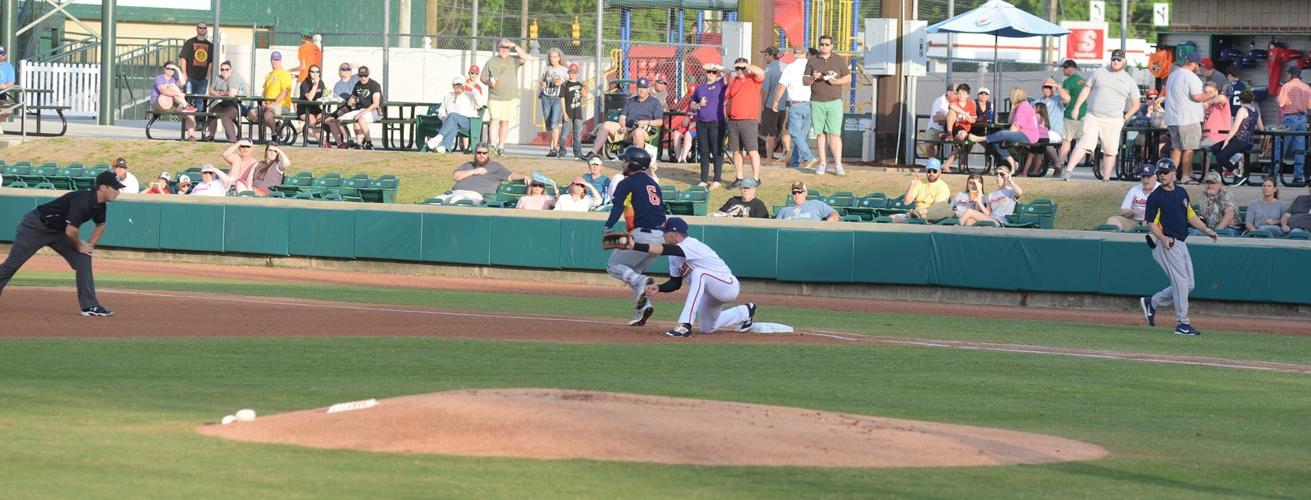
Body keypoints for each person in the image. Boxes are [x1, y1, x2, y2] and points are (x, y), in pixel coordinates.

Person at [0, 170, 124, 317]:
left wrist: (89, 245)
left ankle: (90, 306)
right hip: (35, 226)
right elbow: (71, 231)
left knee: (84, 257)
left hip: (59, 231)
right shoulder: (83, 200)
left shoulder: (101, 205)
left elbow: (100, 225)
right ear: (103, 187)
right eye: (115, 188)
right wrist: (79, 245)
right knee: (12, 264)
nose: (118, 191)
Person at [625, 217, 758, 337]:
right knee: (707, 328)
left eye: (665, 232)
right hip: (709, 292)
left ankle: (685, 325)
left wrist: (634, 246)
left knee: (699, 273)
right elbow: (675, 283)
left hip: (727, 286)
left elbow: (665, 250)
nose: (663, 235)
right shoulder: (674, 256)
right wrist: (659, 288)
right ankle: (746, 311)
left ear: (676, 234)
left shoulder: (691, 244)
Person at [1140, 158, 1218, 336]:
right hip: (1168, 243)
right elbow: (1151, 224)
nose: (1162, 175)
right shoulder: (1155, 197)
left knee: (1189, 284)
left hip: (1181, 242)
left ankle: (1153, 302)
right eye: (1159, 173)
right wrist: (1163, 237)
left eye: (1165, 172)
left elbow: (1191, 217)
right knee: (1181, 284)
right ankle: (1182, 323)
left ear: (1174, 172)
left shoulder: (1182, 192)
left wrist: (1207, 230)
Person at [603, 146, 666, 327]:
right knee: (633, 274)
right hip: (659, 238)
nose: (623, 163)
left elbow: (617, 207)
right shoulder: (653, 183)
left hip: (642, 234)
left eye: (626, 160)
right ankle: (643, 308)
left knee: (613, 266)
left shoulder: (626, 182)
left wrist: (608, 226)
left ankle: (641, 283)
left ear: (633, 163)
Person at [1060, 49, 1141, 181]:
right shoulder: (1099, 72)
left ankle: (1106, 178)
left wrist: (1125, 118)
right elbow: (1086, 89)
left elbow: (1136, 104)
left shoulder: (1129, 80)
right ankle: (1068, 171)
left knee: (1110, 149)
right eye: (1113, 59)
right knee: (1084, 143)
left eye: (1118, 60)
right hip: (1093, 115)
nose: (1115, 62)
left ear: (1124, 61)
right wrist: (1076, 107)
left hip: (1114, 120)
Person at [1164, 53, 1215, 184]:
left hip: (1172, 118)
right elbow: (1196, 97)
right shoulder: (1191, 77)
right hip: (1188, 119)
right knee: (1189, 148)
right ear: (1193, 64)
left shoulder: (1173, 75)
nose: (1199, 68)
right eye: (1199, 65)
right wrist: (1210, 95)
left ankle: (1173, 176)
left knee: (1176, 148)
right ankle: (1186, 176)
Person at [804, 34, 851, 176]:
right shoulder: (812, 61)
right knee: (820, 134)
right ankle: (822, 163)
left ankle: (838, 164)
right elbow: (805, 81)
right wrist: (813, 77)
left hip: (834, 101)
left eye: (826, 44)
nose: (824, 47)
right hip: (817, 101)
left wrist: (836, 81)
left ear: (831, 46)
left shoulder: (839, 60)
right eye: (821, 44)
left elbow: (848, 77)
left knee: (835, 134)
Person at [967, 87, 1045, 172]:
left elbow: (1015, 126)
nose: (1010, 97)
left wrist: (1006, 137)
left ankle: (981, 138)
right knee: (996, 141)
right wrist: (1013, 108)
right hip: (1025, 134)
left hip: (1028, 135)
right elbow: (1010, 121)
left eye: (1011, 95)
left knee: (1002, 134)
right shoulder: (1021, 106)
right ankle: (1013, 163)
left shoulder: (1023, 107)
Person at [589, 78, 663, 159]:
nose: (641, 90)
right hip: (627, 129)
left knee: (638, 132)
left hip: (642, 131)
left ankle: (636, 157)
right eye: (639, 87)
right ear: (637, 88)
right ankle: (593, 152)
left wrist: (646, 122)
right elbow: (622, 117)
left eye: (644, 88)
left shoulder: (655, 103)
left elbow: (659, 122)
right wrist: (622, 125)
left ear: (648, 88)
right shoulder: (630, 101)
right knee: (606, 125)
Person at [434, 144, 527, 205]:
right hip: (454, 192)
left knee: (456, 200)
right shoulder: (468, 165)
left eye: (484, 153)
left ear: (488, 154)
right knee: (435, 202)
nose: (481, 155)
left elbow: (510, 176)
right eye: (479, 152)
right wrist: (474, 171)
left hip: (475, 196)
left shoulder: (495, 166)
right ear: (475, 154)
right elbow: (455, 176)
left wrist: (523, 176)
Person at [481, 39, 527, 156]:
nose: (503, 50)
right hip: (494, 96)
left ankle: (501, 146)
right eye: (501, 47)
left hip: (510, 97)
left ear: (509, 49)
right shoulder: (491, 61)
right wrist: (489, 83)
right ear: (497, 48)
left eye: (506, 48)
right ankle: (492, 144)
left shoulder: (513, 61)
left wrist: (514, 45)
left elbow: (524, 57)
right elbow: (483, 77)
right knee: (494, 119)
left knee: (504, 122)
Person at [724, 57, 766, 185]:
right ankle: (739, 177)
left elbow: (761, 73)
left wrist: (747, 66)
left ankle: (756, 178)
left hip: (748, 121)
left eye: (741, 68)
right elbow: (728, 97)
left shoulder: (753, 79)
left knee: (752, 150)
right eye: (737, 68)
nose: (738, 71)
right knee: (736, 151)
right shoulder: (733, 81)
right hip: (733, 120)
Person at [775, 46, 817, 170]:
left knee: (794, 133)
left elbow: (782, 86)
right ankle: (794, 162)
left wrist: (776, 101)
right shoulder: (811, 67)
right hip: (810, 104)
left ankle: (808, 157)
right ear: (806, 54)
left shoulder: (790, 67)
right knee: (801, 137)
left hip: (795, 104)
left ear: (794, 54)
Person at [326, 66, 382, 149]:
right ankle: (350, 141)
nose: (363, 78)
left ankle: (369, 144)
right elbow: (353, 97)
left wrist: (362, 113)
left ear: (368, 75)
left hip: (375, 111)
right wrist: (348, 101)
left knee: (361, 119)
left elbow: (376, 104)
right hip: (362, 110)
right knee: (340, 119)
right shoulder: (358, 84)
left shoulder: (374, 85)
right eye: (361, 76)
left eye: (365, 76)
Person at [691, 64, 728, 187]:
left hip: (716, 121)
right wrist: (698, 105)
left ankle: (717, 179)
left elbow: (729, 73)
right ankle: (703, 179)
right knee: (704, 151)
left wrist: (717, 67)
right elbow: (692, 104)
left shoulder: (719, 84)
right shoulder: (700, 88)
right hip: (701, 122)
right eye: (708, 72)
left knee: (716, 150)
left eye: (713, 72)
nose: (710, 74)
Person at [1212, 90, 1263, 175]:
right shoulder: (1255, 111)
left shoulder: (1242, 110)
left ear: (1241, 100)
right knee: (1215, 148)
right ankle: (1235, 160)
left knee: (1220, 156)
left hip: (1240, 140)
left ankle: (1236, 171)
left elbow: (1235, 128)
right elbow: (1261, 128)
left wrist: (1226, 141)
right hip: (1249, 142)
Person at [427, 76, 482, 153]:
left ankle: (438, 137)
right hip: (453, 122)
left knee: (453, 115)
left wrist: (471, 86)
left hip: (468, 122)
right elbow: (441, 111)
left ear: (464, 86)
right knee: (453, 123)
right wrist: (445, 119)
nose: (458, 87)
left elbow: (480, 104)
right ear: (453, 86)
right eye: (456, 85)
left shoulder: (469, 95)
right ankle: (444, 147)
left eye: (460, 85)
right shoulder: (447, 97)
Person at [1275, 66, 1311, 183]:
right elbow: (1309, 106)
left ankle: (1273, 174)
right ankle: (1298, 176)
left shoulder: (1286, 86)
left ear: (1290, 75)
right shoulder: (1307, 87)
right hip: (1302, 119)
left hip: (1290, 119)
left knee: (1280, 145)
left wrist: (1277, 99)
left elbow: (1281, 103)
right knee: (1299, 148)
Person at [249, 51, 294, 144]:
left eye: (277, 60)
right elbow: (264, 91)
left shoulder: (285, 74)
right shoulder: (269, 75)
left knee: (267, 116)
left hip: (281, 105)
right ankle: (276, 125)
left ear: (281, 61)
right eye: (273, 60)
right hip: (267, 104)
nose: (275, 62)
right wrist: (263, 101)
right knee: (251, 114)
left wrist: (272, 104)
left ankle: (274, 135)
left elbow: (284, 93)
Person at [151, 63, 199, 141]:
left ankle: (191, 136)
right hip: (160, 102)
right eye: (168, 68)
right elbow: (163, 91)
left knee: (190, 114)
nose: (170, 70)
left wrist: (178, 70)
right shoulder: (159, 78)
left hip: (173, 104)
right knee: (173, 87)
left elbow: (183, 83)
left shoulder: (174, 78)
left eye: (173, 69)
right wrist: (178, 93)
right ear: (163, 69)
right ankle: (186, 105)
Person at [1107, 164, 1160, 231]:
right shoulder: (1135, 189)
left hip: (1154, 222)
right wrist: (1133, 211)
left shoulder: (1161, 190)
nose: (1145, 180)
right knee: (1112, 220)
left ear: (1155, 177)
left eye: (1148, 177)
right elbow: (1123, 211)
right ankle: (1116, 239)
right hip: (1134, 221)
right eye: (1143, 177)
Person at [760, 47, 789, 163]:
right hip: (786, 104)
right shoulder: (786, 67)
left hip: (772, 105)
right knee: (784, 130)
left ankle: (769, 159)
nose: (765, 57)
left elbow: (765, 91)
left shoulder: (768, 69)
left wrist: (763, 105)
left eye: (766, 54)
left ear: (771, 55)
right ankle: (787, 151)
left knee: (770, 133)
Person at [206, 61, 247, 142]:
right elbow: (210, 90)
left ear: (231, 70)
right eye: (222, 69)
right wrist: (221, 93)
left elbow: (232, 93)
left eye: (226, 69)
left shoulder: (234, 77)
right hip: (226, 103)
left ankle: (233, 139)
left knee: (225, 116)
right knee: (211, 113)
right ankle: (211, 136)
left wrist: (220, 92)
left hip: (239, 105)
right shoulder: (218, 77)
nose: (224, 71)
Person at [941, 83, 978, 173]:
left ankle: (946, 165)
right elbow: (952, 106)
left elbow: (973, 120)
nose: (961, 95)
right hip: (952, 126)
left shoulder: (971, 104)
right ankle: (949, 133)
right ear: (957, 93)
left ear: (968, 95)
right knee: (952, 112)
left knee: (965, 140)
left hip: (963, 129)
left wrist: (968, 118)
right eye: (960, 93)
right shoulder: (955, 101)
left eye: (964, 93)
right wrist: (965, 113)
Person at [539, 48, 569, 158]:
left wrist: (561, 82)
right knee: (548, 124)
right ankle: (551, 148)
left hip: (557, 97)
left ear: (559, 57)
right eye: (551, 57)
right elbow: (542, 80)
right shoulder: (547, 68)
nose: (552, 59)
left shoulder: (564, 70)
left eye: (555, 57)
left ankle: (555, 147)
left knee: (554, 122)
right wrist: (542, 84)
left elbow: (568, 83)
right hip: (546, 96)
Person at [1057, 59, 1087, 168]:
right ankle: (1095, 164)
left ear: (1071, 68)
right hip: (1083, 114)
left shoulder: (1068, 81)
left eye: (1065, 68)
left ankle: (1060, 163)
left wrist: (1059, 90)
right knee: (1084, 141)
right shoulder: (1082, 81)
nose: (1063, 70)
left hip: (1070, 115)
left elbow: (1066, 99)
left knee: (1066, 141)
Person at [177, 22, 213, 111]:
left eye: (204, 28)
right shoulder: (189, 42)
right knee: (187, 99)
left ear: (206, 30)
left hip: (203, 79)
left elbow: (210, 62)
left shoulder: (210, 45)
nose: (202, 29)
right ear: (196, 28)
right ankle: (187, 123)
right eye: (200, 27)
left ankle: (197, 122)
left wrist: (207, 76)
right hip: (190, 77)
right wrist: (184, 73)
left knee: (199, 100)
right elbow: (183, 58)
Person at [915, 83, 955, 161]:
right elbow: (936, 118)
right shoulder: (939, 101)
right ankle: (933, 163)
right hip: (936, 129)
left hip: (953, 129)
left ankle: (948, 164)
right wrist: (950, 117)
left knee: (965, 144)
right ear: (949, 92)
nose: (958, 95)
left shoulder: (959, 101)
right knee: (929, 144)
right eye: (956, 93)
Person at [560, 63, 588, 159]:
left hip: (577, 112)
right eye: (571, 73)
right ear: (568, 73)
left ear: (577, 74)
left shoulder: (579, 85)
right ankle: (562, 152)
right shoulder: (565, 85)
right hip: (568, 112)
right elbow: (562, 99)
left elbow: (584, 96)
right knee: (564, 133)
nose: (573, 75)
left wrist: (584, 88)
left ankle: (577, 154)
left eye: (575, 73)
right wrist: (564, 113)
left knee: (577, 134)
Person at [298, 64, 326, 143]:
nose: (315, 73)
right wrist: (315, 85)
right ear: (309, 73)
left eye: (317, 72)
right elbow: (310, 98)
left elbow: (323, 95)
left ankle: (339, 143)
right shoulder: (305, 83)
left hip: (315, 108)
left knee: (325, 118)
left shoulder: (321, 83)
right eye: (312, 71)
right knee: (312, 119)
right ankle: (323, 143)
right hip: (304, 109)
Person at [0, 46, 16, 123]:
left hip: (2, 94)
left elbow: (11, 83)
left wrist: (5, 86)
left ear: (5, 55)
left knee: (8, 110)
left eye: (2, 54)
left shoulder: (8, 67)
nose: (0, 55)